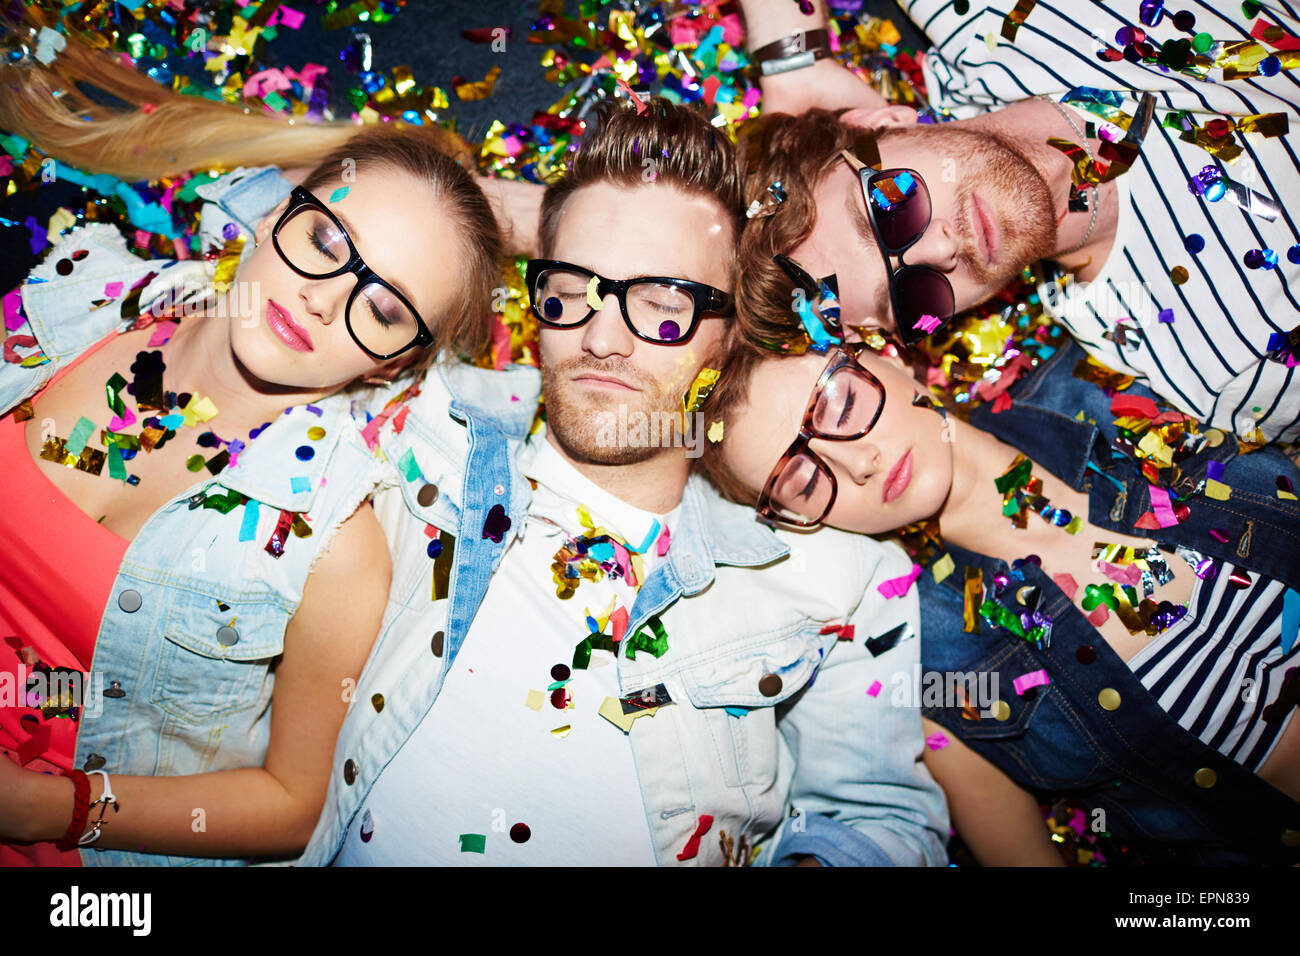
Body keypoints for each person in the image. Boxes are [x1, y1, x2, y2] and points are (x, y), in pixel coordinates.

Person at [217, 97, 949, 866]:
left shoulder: (836, 574)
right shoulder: (422, 426)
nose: (602, 338)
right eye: (570, 292)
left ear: (732, 329)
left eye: (663, 304)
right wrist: (521, 215)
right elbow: (268, 226)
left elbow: (881, 824)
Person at [0, 37, 504, 866]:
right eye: (327, 241)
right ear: (272, 211)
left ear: (394, 361)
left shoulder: (337, 547)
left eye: (382, 308)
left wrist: (51, 806)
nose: (322, 295)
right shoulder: (74, 302)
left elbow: (288, 807)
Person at [700, 296, 1300, 865]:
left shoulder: (1091, 371)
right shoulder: (935, 672)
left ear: (881, 352)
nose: (859, 463)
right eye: (804, 482)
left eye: (843, 406)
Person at [734, 0, 1300, 444]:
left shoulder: (986, 19)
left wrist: (793, 67)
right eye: (912, 298)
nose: (941, 251)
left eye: (889, 207)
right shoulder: (1222, 363)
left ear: (882, 121)